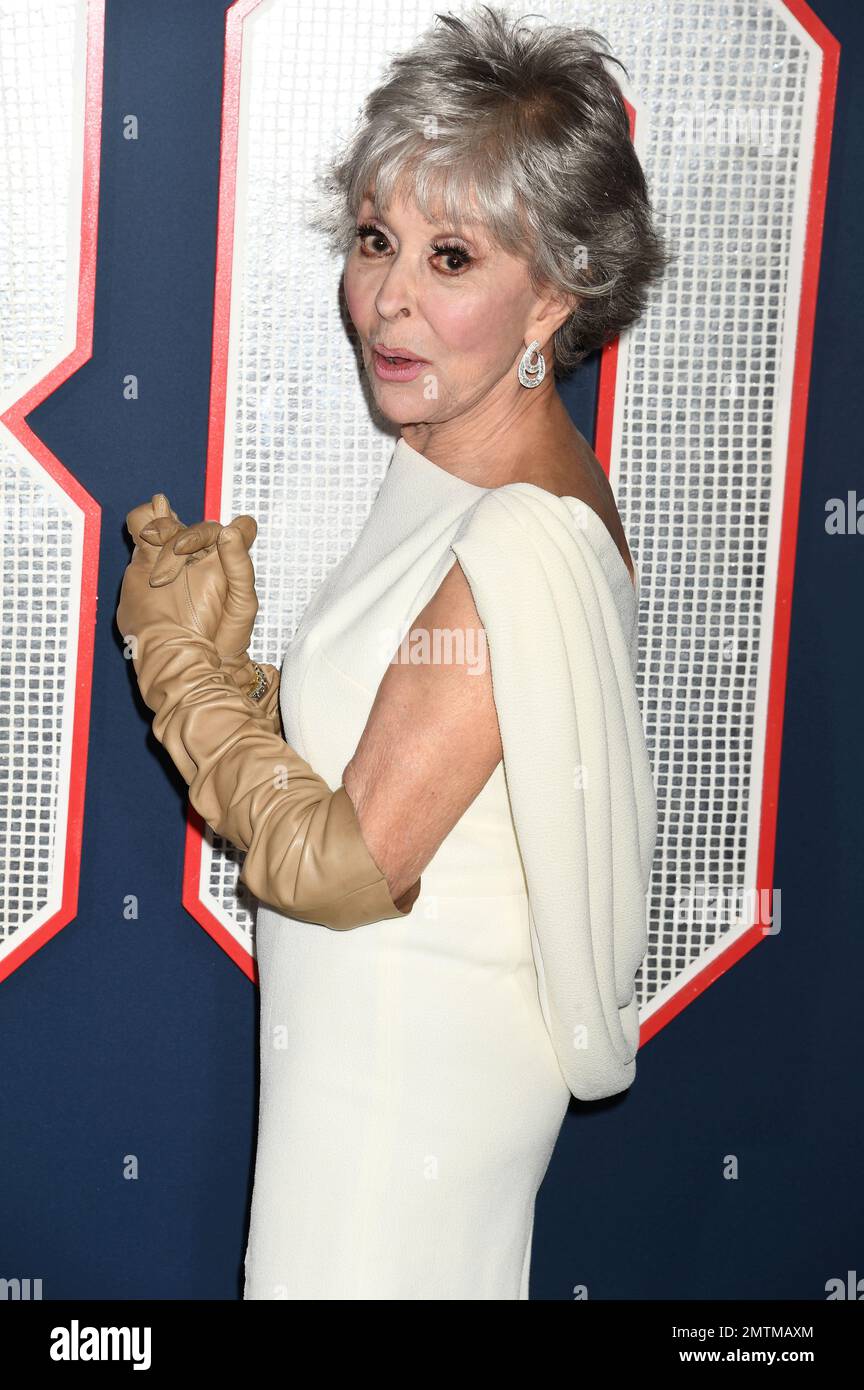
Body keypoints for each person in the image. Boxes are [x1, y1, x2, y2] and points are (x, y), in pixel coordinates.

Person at [117, 6, 668, 1300]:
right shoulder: (445, 464)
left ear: (556, 294)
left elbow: (350, 861)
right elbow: (385, 763)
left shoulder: (518, 539)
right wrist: (244, 680)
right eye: (376, 239)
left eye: (452, 255)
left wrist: (182, 670)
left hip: (405, 1118)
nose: (389, 299)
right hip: (364, 1071)